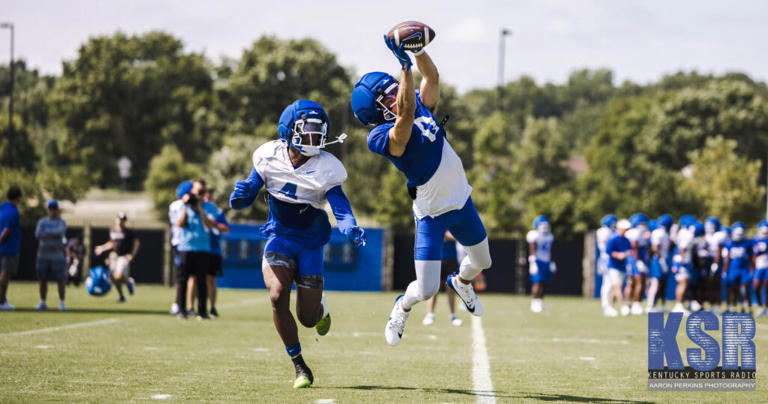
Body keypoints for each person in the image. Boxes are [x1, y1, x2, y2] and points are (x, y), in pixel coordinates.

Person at [350, 35, 491, 346]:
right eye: (386, 97)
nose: (395, 96)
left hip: (461, 200)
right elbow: (403, 117)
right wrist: (403, 65)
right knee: (426, 289)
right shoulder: (380, 136)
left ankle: (462, 283)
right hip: (431, 212)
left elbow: (432, 77)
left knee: (482, 261)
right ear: (373, 113)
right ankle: (401, 306)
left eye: (392, 91)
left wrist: (417, 50)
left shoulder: (417, 104)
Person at [229, 99, 366, 389]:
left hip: (310, 243)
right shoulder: (269, 156)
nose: (314, 137)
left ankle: (321, 309)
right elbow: (251, 189)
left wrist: (350, 225)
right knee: (277, 296)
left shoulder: (328, 166)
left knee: (307, 318)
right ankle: (299, 365)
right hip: (279, 236)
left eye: (319, 131)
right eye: (308, 130)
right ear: (288, 130)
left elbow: (340, 205)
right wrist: (241, 197)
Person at [174, 179, 215, 320]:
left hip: (203, 248)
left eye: (202, 192)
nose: (200, 194)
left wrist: (200, 208)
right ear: (192, 191)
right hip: (185, 247)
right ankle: (181, 310)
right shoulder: (183, 205)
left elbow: (210, 225)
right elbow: (178, 223)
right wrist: (187, 206)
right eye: (198, 191)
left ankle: (202, 312)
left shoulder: (209, 207)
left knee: (202, 281)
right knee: (182, 280)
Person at [191, 187, 229, 317]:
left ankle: (212, 308)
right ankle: (191, 307)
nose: (205, 198)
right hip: (198, 248)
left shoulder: (215, 211)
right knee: (195, 278)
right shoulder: (194, 208)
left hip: (213, 250)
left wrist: (213, 225)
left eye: (207, 196)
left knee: (211, 279)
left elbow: (225, 228)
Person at [94, 212, 140, 303]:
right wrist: (102, 248)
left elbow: (136, 243)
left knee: (118, 276)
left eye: (122, 220)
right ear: (116, 219)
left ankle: (128, 283)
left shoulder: (128, 232)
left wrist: (132, 254)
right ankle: (122, 295)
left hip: (123, 257)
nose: (120, 222)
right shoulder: (112, 231)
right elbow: (112, 243)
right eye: (119, 219)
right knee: (114, 278)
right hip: (114, 256)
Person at [423, 231, 462, 326]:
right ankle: (430, 315)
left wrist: (445, 235)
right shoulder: (437, 222)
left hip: (452, 260)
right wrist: (445, 236)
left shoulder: (452, 225)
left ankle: (453, 316)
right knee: (434, 289)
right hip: (437, 259)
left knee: (451, 289)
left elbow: (457, 237)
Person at [34, 200, 68, 311]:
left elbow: (60, 232)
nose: (52, 211)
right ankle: (43, 302)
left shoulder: (61, 222)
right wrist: (52, 233)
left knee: (60, 279)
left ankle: (62, 302)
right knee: (42, 279)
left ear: (57, 210)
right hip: (43, 255)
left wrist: (47, 232)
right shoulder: (42, 222)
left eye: (54, 208)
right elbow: (38, 233)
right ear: (48, 209)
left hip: (57, 255)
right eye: (51, 208)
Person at [169, 180, 191, 315]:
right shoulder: (178, 206)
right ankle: (179, 304)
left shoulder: (174, 205)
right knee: (183, 276)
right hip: (181, 242)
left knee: (184, 276)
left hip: (179, 242)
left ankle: (182, 305)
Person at [722, 222, 754, 313]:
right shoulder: (728, 243)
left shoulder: (747, 243)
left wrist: (751, 270)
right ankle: (732, 306)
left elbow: (751, 258)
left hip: (744, 269)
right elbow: (727, 259)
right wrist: (725, 271)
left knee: (745, 288)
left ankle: (748, 307)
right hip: (732, 269)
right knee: (732, 289)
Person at [604, 219, 632, 317]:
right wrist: (617, 255)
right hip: (613, 266)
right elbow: (608, 251)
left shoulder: (626, 240)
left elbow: (630, 251)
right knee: (618, 286)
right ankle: (623, 306)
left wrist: (625, 254)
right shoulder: (613, 238)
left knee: (616, 288)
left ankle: (609, 307)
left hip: (622, 266)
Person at [0, 185, 22, 310]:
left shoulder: (1, 208)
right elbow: (7, 230)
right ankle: (1, 301)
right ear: (18, 197)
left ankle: (3, 300)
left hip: (4, 248)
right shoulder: (13, 211)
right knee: (5, 274)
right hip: (8, 248)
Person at [527, 215, 555, 313]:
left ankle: (540, 302)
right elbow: (532, 248)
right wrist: (533, 261)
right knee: (537, 282)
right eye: (542, 225)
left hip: (546, 261)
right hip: (537, 261)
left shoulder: (550, 235)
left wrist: (551, 262)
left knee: (545, 283)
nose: (544, 227)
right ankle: (534, 303)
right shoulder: (534, 234)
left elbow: (550, 250)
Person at [646, 214, 672, 313]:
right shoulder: (658, 233)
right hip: (658, 260)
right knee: (655, 283)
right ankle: (650, 305)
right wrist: (661, 260)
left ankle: (660, 304)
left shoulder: (665, 233)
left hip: (662, 259)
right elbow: (655, 247)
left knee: (662, 284)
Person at [625, 213, 649, 315]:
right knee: (639, 282)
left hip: (630, 259)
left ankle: (627, 304)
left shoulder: (629, 232)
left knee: (630, 282)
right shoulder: (636, 232)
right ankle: (636, 304)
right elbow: (634, 246)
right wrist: (638, 260)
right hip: (635, 259)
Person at [671, 215, 696, 315]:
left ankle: (679, 305)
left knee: (682, 283)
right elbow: (682, 248)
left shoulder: (681, 232)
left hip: (679, 260)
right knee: (683, 283)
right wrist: (683, 259)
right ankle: (679, 305)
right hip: (682, 261)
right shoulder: (687, 234)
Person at [597, 215, 617, 315]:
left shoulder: (609, 231)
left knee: (612, 282)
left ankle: (608, 305)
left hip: (609, 258)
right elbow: (607, 244)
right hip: (606, 259)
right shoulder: (603, 231)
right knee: (608, 282)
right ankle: (606, 306)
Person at [752, 220, 768, 317]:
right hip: (759, 267)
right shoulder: (755, 240)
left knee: (766, 287)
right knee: (756, 287)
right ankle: (761, 306)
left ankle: (765, 307)